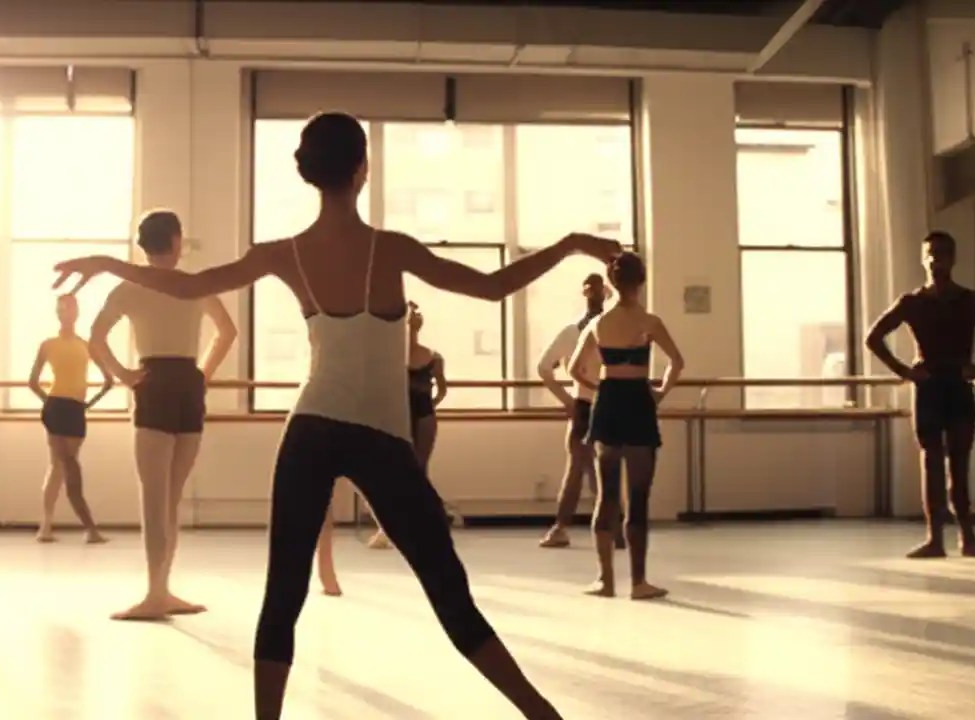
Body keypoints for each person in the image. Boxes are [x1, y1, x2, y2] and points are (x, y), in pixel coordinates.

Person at [53, 112, 617, 720]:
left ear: (312, 174)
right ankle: (544, 717)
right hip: (380, 438)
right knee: (449, 594)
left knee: (283, 596)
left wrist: (108, 263)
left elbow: (188, 286)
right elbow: (492, 287)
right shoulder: (391, 248)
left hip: (311, 429)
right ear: (361, 169)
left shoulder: (284, 253)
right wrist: (570, 245)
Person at [88, 210, 239, 620]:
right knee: (170, 499)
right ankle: (162, 589)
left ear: (143, 244)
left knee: (154, 498)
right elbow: (228, 331)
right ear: (175, 241)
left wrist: (124, 376)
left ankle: (157, 592)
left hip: (152, 381)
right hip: (187, 383)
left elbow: (95, 338)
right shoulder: (193, 286)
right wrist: (203, 375)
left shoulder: (129, 287)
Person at [865, 231, 975, 559]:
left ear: (953, 259)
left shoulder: (971, 300)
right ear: (924, 259)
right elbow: (874, 337)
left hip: (957, 384)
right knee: (932, 462)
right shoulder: (912, 302)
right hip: (929, 386)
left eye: (942, 254)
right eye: (930, 254)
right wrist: (905, 371)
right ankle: (934, 538)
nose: (936, 260)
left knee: (960, 463)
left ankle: (967, 537)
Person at [569, 252, 682, 600]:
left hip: (609, 401)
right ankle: (638, 582)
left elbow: (574, 368)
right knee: (638, 497)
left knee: (606, 496)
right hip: (638, 401)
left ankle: (604, 580)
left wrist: (598, 392)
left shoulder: (598, 323)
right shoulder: (649, 321)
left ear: (611, 283)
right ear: (641, 281)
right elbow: (677, 362)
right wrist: (659, 394)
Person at [536, 273, 619, 549]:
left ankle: (604, 527)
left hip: (594, 403)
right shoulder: (578, 332)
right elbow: (544, 367)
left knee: (592, 470)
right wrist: (567, 400)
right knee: (589, 469)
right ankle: (604, 528)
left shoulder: (606, 329)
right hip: (588, 404)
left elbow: (545, 367)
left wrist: (568, 399)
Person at [366, 300, 457, 550]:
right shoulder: (390, 355)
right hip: (400, 416)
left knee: (419, 469)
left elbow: (442, 389)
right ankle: (389, 526)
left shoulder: (433, 357)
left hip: (423, 416)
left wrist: (427, 404)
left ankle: (425, 524)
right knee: (393, 470)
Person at [27, 294, 114, 544]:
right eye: (62, 308)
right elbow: (32, 382)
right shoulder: (48, 344)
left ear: (76, 313)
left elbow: (108, 381)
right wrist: (50, 402)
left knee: (67, 465)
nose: (66, 312)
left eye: (70, 308)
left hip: (75, 409)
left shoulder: (86, 345)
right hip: (57, 407)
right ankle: (47, 526)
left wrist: (86, 404)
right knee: (58, 466)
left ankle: (81, 527)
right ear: (57, 312)